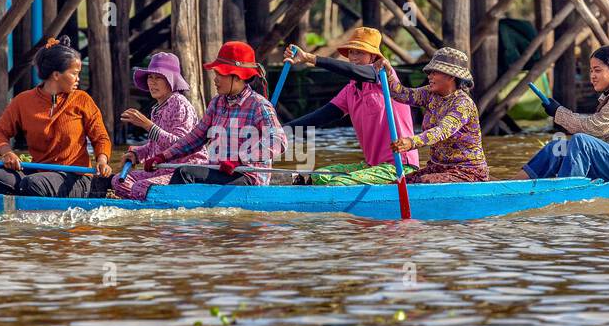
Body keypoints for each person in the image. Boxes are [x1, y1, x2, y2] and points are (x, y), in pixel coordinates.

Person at [283, 27, 419, 185]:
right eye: (351, 53)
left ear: (373, 56)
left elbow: (355, 71)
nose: (354, 57)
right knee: (318, 176)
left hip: (400, 165)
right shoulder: (350, 90)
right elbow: (321, 116)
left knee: (336, 184)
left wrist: (309, 58)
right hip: (372, 165)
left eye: (360, 52)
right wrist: (281, 129)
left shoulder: (385, 76)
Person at [0, 36, 113, 197]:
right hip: (38, 173)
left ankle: (29, 196)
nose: (78, 79)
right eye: (74, 74)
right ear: (56, 75)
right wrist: (7, 153)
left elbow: (100, 137)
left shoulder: (82, 99)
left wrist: (102, 160)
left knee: (32, 184)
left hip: (75, 178)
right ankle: (30, 196)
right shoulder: (23, 101)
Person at [140, 41, 287, 185]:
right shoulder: (217, 103)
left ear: (237, 77)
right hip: (219, 172)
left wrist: (239, 159)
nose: (215, 79)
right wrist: (163, 157)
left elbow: (279, 141)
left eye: (220, 74)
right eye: (215, 73)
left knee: (185, 174)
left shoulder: (259, 105)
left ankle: (174, 208)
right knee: (184, 172)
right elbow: (196, 137)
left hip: (247, 177)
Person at [517, 44, 609, 181]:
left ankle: (567, 191)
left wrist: (558, 113)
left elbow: (595, 129)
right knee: (557, 147)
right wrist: (558, 113)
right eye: (591, 70)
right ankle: (513, 184)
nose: (592, 76)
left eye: (598, 70)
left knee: (581, 142)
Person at [382, 46, 489, 184]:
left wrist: (412, 141)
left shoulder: (463, 104)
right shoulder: (430, 94)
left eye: (435, 72)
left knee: (424, 182)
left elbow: (442, 131)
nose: (429, 76)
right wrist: (389, 71)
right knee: (398, 183)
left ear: (451, 76)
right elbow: (401, 94)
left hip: (467, 173)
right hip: (437, 168)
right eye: (430, 72)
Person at [112, 52, 208, 200]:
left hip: (183, 173)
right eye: (150, 77)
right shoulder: (157, 108)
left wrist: (148, 125)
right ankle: (141, 206)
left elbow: (180, 146)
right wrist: (136, 155)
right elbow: (154, 147)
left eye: (158, 78)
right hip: (162, 171)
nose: (152, 82)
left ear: (170, 80)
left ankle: (145, 205)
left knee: (141, 187)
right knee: (118, 181)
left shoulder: (180, 104)